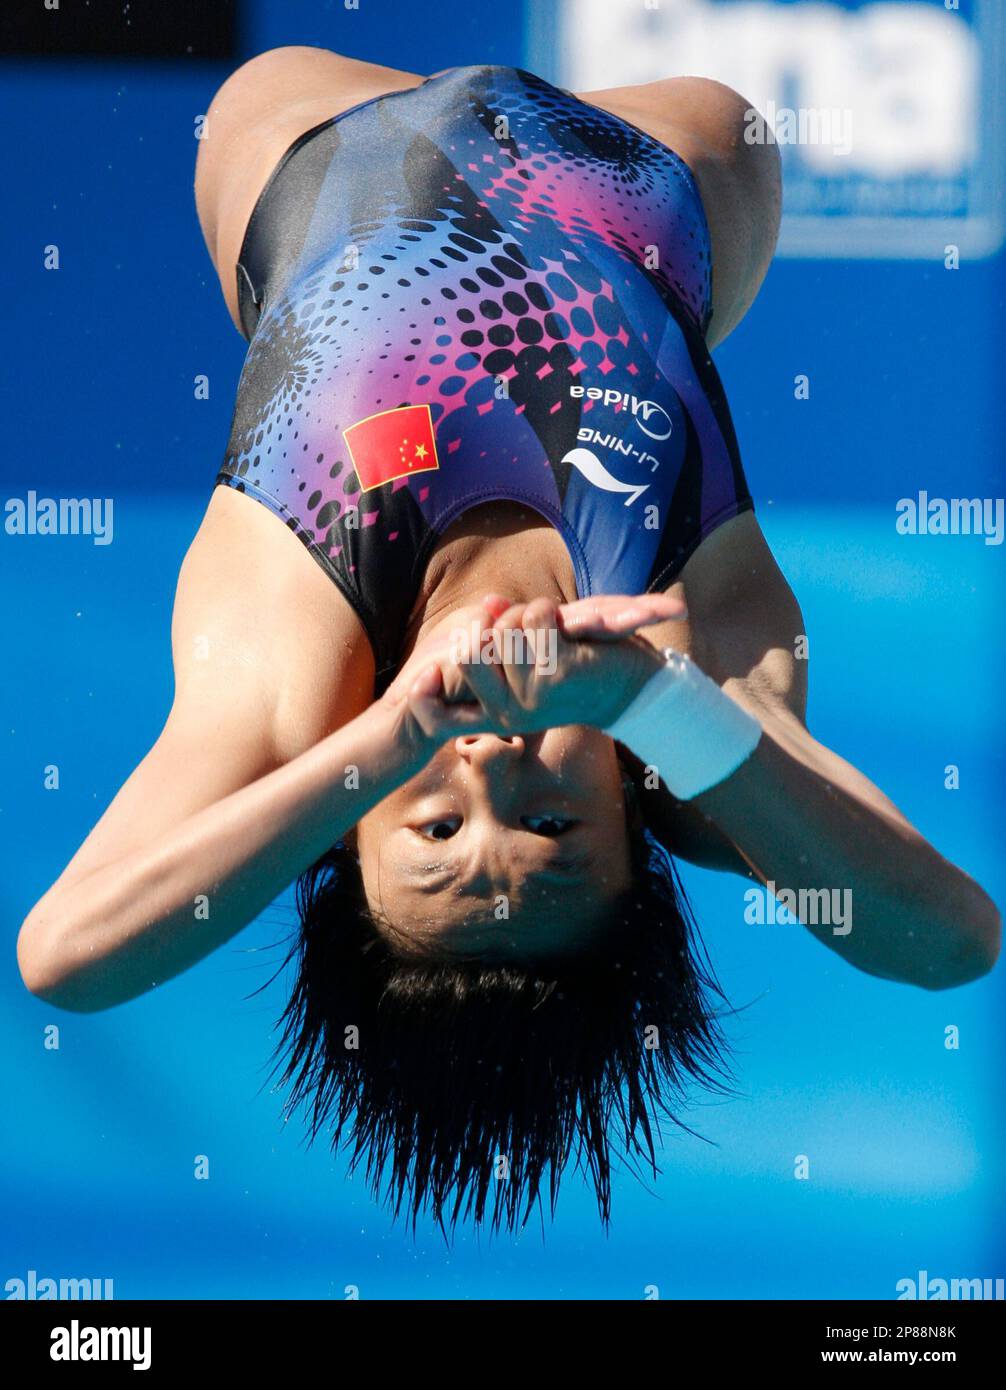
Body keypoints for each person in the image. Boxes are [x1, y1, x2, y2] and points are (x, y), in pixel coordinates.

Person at [18, 51, 1000, 1235]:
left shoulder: (293, 670)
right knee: (716, 129)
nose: (486, 774)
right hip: (645, 156)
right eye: (550, 826)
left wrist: (383, 737)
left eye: (432, 830)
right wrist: (653, 699)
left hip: (317, 121)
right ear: (639, 817)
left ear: (345, 826)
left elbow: (63, 957)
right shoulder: (693, 673)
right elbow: (950, 942)